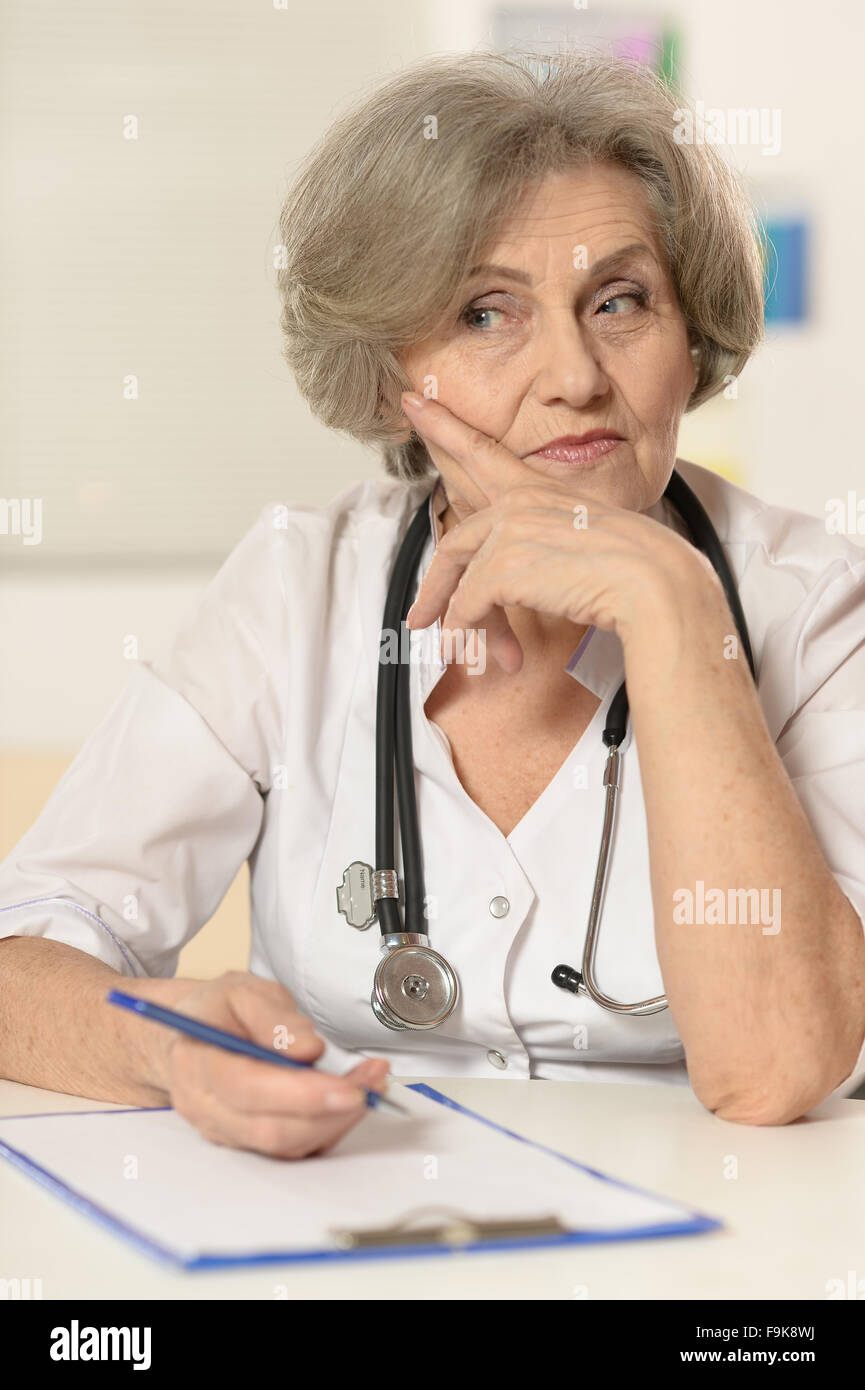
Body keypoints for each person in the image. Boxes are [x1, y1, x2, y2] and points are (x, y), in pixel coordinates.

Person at [2, 50, 864, 1159]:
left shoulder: (812, 610)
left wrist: (672, 608)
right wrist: (160, 1048)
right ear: (388, 372)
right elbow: (25, 959)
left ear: (688, 336)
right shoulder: (295, 588)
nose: (574, 376)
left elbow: (779, 1067)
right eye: (486, 312)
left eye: (618, 300)